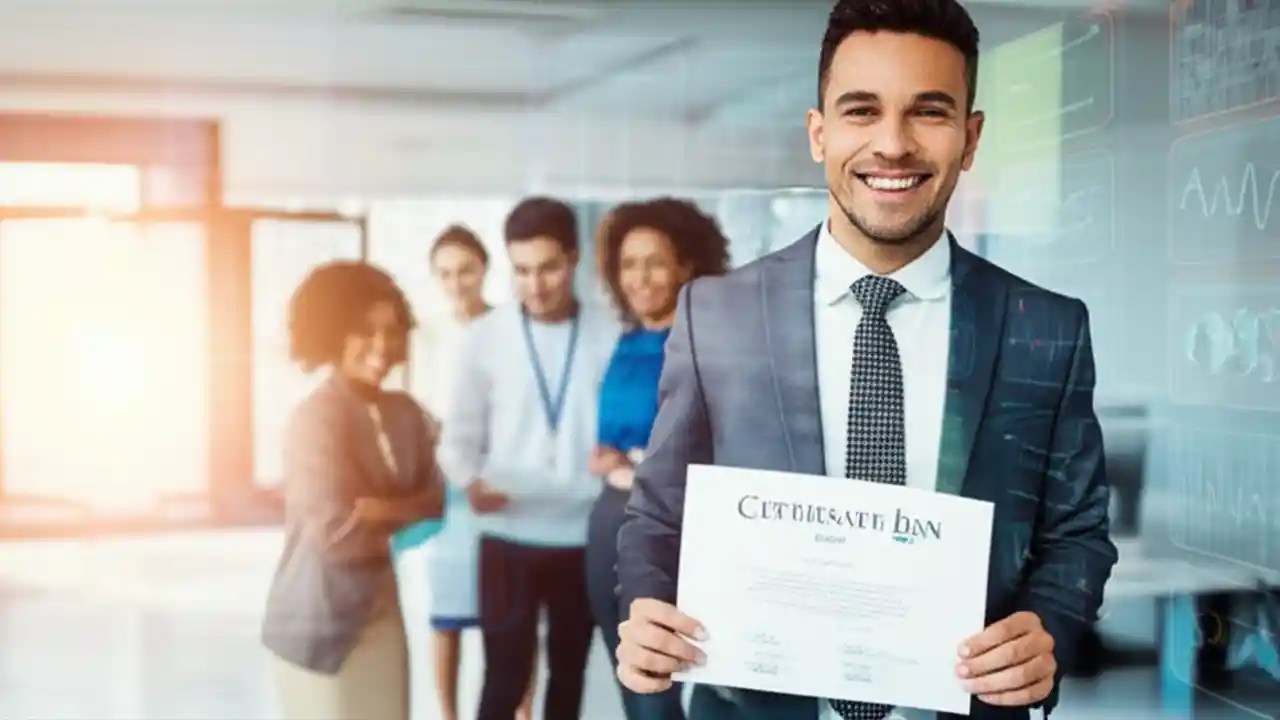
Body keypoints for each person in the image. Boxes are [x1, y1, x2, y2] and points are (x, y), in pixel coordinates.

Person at [613, 2, 1119, 720]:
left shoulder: (1046, 327)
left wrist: (1050, 629)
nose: (893, 144)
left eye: (929, 112)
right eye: (861, 111)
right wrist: (646, 609)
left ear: (970, 138)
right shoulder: (716, 314)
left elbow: (1076, 534)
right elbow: (660, 515)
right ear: (818, 133)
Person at [439, 197, 620, 720]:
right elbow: (458, 436)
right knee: (503, 679)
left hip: (581, 534)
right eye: (521, 271)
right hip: (507, 531)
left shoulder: (609, 335)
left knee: (567, 677)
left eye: (548, 268)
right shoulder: (485, 337)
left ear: (573, 257)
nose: (535, 285)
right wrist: (469, 480)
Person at [262, 260, 445, 720]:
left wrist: (379, 509)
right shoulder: (313, 420)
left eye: (391, 331)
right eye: (364, 331)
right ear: (332, 334)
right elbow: (335, 535)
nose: (381, 346)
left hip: (381, 612)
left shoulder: (405, 412)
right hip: (317, 619)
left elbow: (436, 502)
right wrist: (401, 512)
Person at [586, 198, 731, 720]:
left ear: (687, 266)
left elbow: (712, 442)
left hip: (672, 525)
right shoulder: (626, 343)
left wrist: (637, 462)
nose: (639, 277)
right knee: (629, 673)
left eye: (654, 262)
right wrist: (611, 456)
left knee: (661, 681)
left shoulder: (705, 345)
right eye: (628, 264)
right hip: (610, 520)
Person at [407, 225, 539, 720]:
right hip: (450, 491)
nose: (457, 282)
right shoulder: (426, 336)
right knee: (448, 614)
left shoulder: (512, 327)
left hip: (502, 482)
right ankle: (449, 715)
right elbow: (418, 410)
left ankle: (524, 714)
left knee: (513, 615)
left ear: (484, 269)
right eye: (445, 273)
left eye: (466, 270)